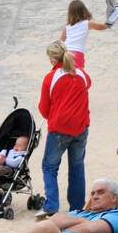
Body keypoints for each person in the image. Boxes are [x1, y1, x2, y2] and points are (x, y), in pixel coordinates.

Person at [37, 40, 91, 216]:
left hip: (59, 129)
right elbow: (88, 84)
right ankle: (76, 207)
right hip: (81, 127)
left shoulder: (50, 78)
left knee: (50, 167)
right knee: (77, 166)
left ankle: (52, 205)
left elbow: (44, 109)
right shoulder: (82, 74)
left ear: (52, 59)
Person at [60, 0, 106, 69]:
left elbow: (61, 40)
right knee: (78, 74)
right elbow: (102, 27)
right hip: (76, 53)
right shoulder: (87, 23)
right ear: (84, 11)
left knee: (65, 74)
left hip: (65, 53)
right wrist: (111, 19)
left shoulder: (67, 24)